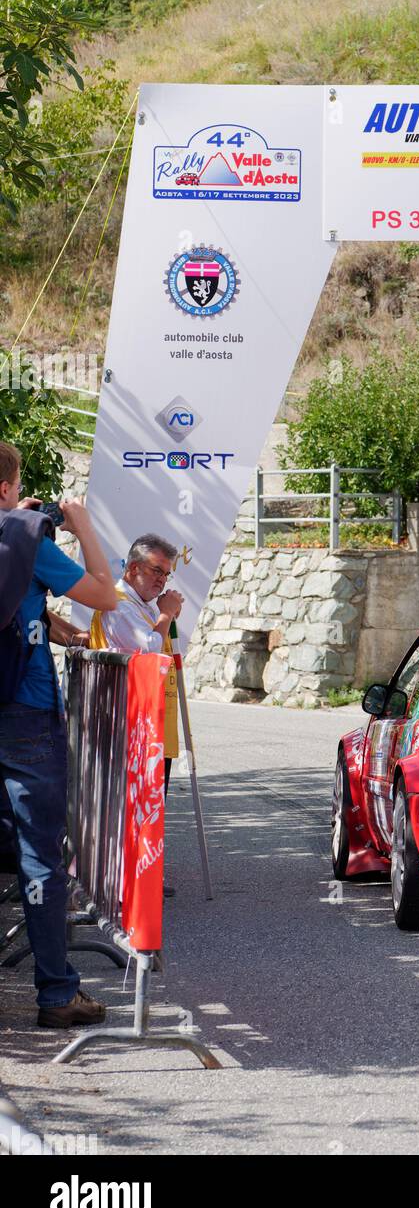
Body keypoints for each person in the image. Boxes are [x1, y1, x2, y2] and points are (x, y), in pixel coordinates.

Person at [0, 440, 118, 1028]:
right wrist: (82, 526)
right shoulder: (26, 539)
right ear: (4, 489)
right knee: (38, 854)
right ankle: (56, 995)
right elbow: (106, 594)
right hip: (25, 713)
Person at [89, 533, 183, 787]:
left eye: (165, 574)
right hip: (128, 720)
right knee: (135, 801)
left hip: (146, 716)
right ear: (133, 568)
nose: (162, 580)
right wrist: (166, 613)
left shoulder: (140, 604)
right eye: (156, 570)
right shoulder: (119, 604)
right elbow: (150, 648)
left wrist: (165, 614)